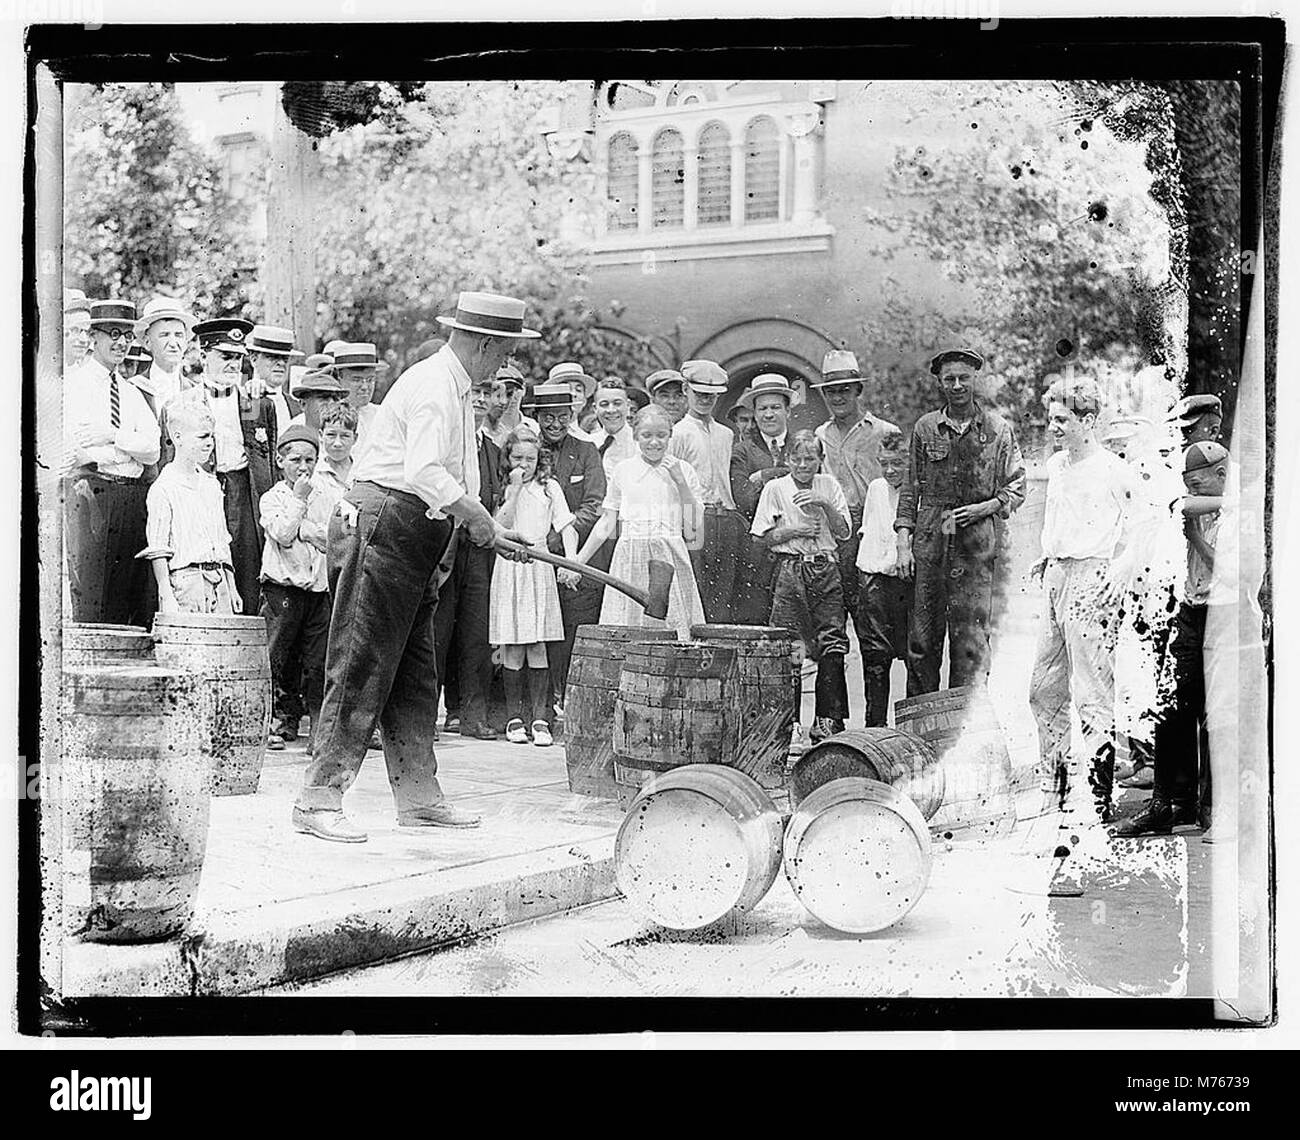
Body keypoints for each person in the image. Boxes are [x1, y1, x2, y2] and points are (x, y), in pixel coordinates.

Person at [293, 290, 535, 844]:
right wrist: (475, 516)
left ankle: (419, 797)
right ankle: (317, 798)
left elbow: (454, 480)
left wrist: (492, 530)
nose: (504, 365)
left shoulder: (458, 388)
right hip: (384, 523)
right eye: (503, 352)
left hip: (418, 531)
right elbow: (425, 470)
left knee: (414, 674)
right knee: (359, 663)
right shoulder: (432, 385)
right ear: (482, 342)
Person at [1029, 376, 1145, 840]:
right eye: (1051, 418)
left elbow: (1147, 520)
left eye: (1063, 419)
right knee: (1042, 688)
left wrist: (1119, 571)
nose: (1053, 427)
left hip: (1092, 577)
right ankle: (1054, 789)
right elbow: (1057, 516)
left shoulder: (1113, 469)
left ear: (1088, 421)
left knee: (1092, 691)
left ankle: (1100, 800)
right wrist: (1045, 553)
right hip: (1056, 576)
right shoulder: (1058, 464)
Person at [1112, 441, 1229, 838]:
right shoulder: (1199, 503)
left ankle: (1213, 809)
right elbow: (1179, 504)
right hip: (1190, 612)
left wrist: (1195, 535)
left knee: (1215, 715)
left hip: (1225, 613)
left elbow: (1232, 570)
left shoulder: (1239, 509)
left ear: (1222, 475)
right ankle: (1168, 803)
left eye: (1200, 483)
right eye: (1189, 484)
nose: (1194, 490)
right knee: (1169, 707)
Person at [895, 346, 1025, 694]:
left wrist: (985, 507)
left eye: (963, 378)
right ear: (940, 382)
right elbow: (910, 487)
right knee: (922, 639)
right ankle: (920, 726)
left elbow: (1017, 487)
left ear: (974, 379)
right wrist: (902, 542)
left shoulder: (998, 430)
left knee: (971, 641)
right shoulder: (926, 428)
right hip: (934, 536)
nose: (956, 385)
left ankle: (966, 731)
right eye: (949, 379)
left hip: (976, 543)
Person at [752, 430, 852, 745]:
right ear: (787, 459)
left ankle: (828, 720)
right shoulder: (776, 488)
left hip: (824, 567)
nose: (803, 464)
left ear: (820, 459)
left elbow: (845, 533)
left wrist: (824, 504)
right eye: (797, 458)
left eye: (810, 458)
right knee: (790, 647)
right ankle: (789, 722)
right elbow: (760, 538)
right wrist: (792, 530)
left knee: (832, 642)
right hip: (790, 571)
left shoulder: (829, 485)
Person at [63, 300, 160, 624]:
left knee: (126, 595)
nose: (121, 342)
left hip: (130, 499)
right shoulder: (73, 386)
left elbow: (152, 449)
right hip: (92, 497)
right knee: (92, 594)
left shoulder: (131, 392)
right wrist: (124, 451)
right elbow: (75, 452)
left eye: (127, 336)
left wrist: (111, 435)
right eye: (113, 333)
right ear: (94, 337)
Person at [575, 405, 705, 639]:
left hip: (668, 556)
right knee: (627, 625)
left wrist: (680, 482)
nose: (654, 442)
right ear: (635, 436)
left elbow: (694, 522)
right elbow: (607, 521)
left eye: (661, 435)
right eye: (647, 435)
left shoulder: (682, 470)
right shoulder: (624, 470)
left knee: (671, 628)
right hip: (630, 556)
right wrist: (577, 562)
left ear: (670, 435)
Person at [813, 349, 901, 693]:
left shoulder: (883, 431)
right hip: (834, 535)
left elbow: (900, 487)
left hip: (874, 534)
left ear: (858, 392)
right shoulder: (820, 435)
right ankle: (831, 719)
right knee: (831, 629)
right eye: (832, 391)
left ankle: (874, 723)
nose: (838, 397)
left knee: (874, 634)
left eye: (845, 390)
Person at [491, 425, 581, 746]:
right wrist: (513, 491)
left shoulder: (549, 487)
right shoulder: (503, 488)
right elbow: (499, 527)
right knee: (513, 644)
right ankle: (516, 718)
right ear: (508, 458)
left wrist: (571, 563)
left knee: (538, 643)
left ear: (539, 459)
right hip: (510, 566)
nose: (524, 465)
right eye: (518, 458)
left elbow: (567, 527)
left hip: (539, 566)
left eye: (530, 459)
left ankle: (541, 719)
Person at [525, 380, 607, 719]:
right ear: (538, 417)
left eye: (562, 416)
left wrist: (564, 545)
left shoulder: (586, 450)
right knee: (536, 634)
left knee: (573, 634)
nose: (555, 424)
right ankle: (540, 707)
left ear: (572, 414)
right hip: (534, 558)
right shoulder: (528, 450)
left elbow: (594, 503)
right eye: (548, 417)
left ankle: (571, 705)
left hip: (576, 560)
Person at [187, 317, 280, 617]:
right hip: (203, 491)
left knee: (249, 571)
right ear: (204, 356)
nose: (233, 364)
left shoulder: (256, 403)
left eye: (238, 357)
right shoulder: (185, 403)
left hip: (243, 494)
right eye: (225, 356)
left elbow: (269, 461)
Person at [432, 376, 504, 741]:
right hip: (442, 543)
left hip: (478, 549)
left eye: (484, 393)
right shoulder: (445, 443)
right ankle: (425, 716)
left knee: (476, 632)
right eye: (472, 393)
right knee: (437, 630)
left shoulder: (491, 449)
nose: (478, 400)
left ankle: (470, 715)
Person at [259, 423, 333, 752]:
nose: (303, 468)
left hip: (316, 591)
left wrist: (311, 528)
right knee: (277, 657)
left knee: (317, 661)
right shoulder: (272, 497)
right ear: (279, 461)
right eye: (295, 460)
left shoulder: (325, 494)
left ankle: (318, 727)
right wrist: (302, 517)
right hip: (282, 590)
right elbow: (284, 532)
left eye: (310, 460)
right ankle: (273, 721)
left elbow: (331, 537)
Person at [138, 395, 238, 615]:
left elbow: (222, 539)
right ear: (178, 437)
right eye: (202, 436)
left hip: (219, 582)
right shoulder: (163, 488)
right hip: (186, 583)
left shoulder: (211, 485)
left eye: (211, 436)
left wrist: (231, 586)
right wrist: (166, 592)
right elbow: (158, 548)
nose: (209, 443)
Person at [669, 359, 744, 622]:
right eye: (699, 393)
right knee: (698, 586)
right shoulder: (677, 433)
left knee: (724, 590)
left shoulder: (726, 434)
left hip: (725, 516)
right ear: (686, 390)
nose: (705, 399)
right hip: (694, 516)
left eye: (711, 395)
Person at [856, 428, 913, 727]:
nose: (890, 471)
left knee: (913, 655)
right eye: (885, 463)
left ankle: (911, 726)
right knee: (875, 658)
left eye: (897, 463)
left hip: (906, 580)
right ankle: (874, 726)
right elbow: (870, 533)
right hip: (874, 581)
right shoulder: (876, 488)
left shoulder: (918, 489)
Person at [730, 373, 796, 625]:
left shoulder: (803, 444)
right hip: (757, 558)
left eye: (776, 407)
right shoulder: (743, 451)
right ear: (755, 413)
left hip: (796, 556)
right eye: (762, 408)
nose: (769, 415)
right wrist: (780, 476)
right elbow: (744, 500)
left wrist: (762, 476)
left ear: (788, 410)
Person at [133, 295, 197, 420]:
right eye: (164, 335)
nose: (173, 343)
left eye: (178, 335)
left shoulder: (195, 391)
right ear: (147, 343)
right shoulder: (134, 388)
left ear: (186, 343)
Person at [247, 324, 304, 438]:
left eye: (285, 358)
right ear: (254, 360)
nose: (281, 363)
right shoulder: (242, 400)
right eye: (272, 357)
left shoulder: (297, 405)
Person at [331, 342, 387, 448]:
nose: (365, 387)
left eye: (370, 380)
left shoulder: (382, 415)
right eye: (357, 380)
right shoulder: (327, 416)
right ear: (339, 378)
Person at [590, 376, 638, 480]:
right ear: (595, 408)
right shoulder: (589, 443)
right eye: (604, 404)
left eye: (617, 403)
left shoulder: (638, 443)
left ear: (628, 405)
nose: (611, 410)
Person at [548, 362, 599, 443]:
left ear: (584, 401)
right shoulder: (539, 433)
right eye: (567, 388)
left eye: (578, 390)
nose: (573, 394)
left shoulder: (588, 441)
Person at [289, 368, 349, 432]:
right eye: (324, 398)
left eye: (336, 399)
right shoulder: (293, 438)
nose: (331, 403)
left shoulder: (347, 438)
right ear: (303, 404)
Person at [63, 288, 91, 370]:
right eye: (75, 330)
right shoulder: (43, 373)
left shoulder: (88, 375)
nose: (84, 339)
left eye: (88, 332)